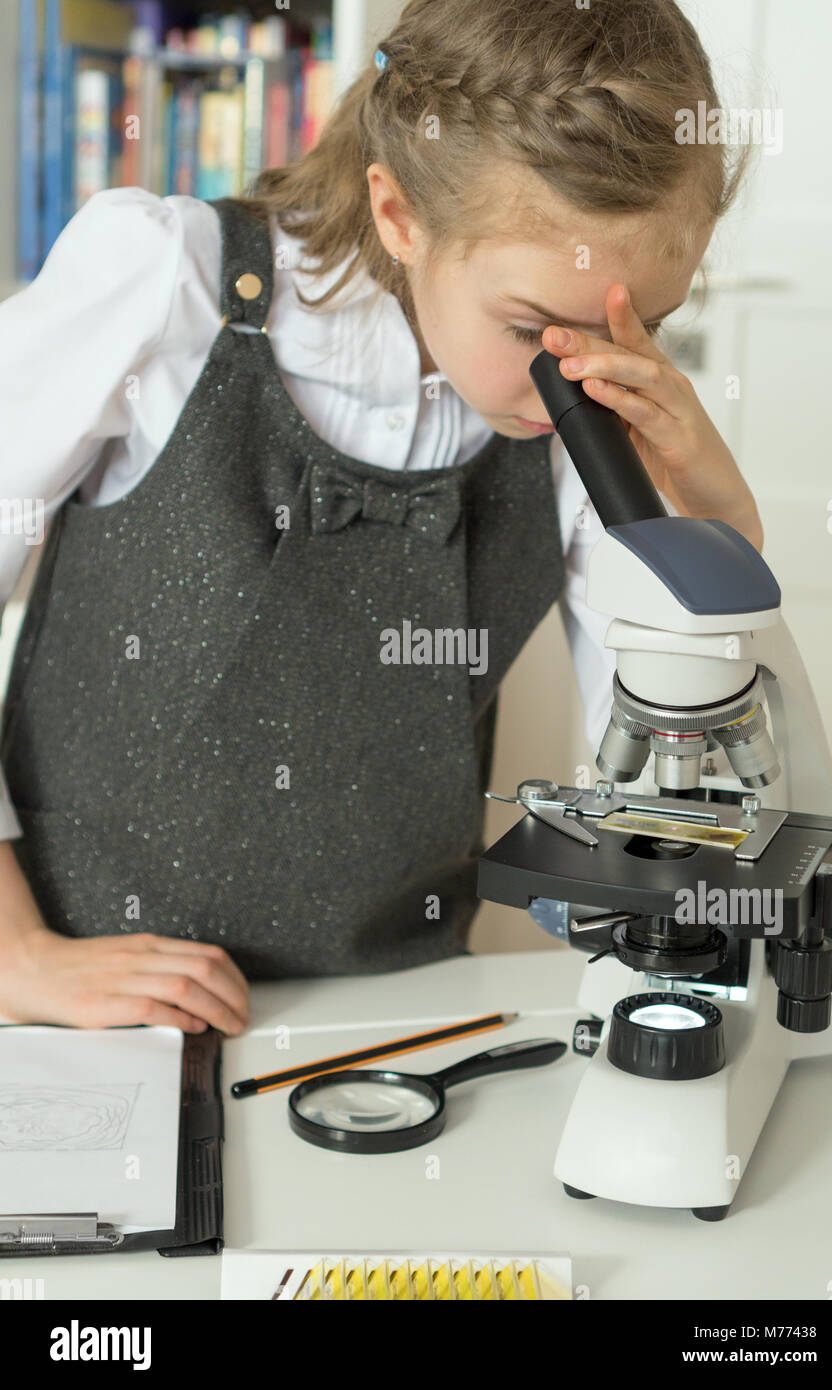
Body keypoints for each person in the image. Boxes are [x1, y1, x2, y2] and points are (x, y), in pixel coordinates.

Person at [0, 0, 763, 1034]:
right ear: (400, 214)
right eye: (536, 326)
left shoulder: (572, 406)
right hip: (87, 1005)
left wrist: (716, 523)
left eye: (646, 326)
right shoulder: (166, 286)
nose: (576, 384)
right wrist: (19, 956)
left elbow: (677, 758)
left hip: (395, 1010)